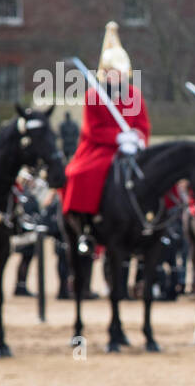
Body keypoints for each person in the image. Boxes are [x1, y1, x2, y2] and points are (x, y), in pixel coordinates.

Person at [62, 22, 151, 252]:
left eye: (121, 72)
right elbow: (92, 129)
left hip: (131, 149)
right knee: (83, 174)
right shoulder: (94, 95)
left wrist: (138, 138)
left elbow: (142, 124)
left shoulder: (134, 95)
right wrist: (118, 138)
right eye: (113, 72)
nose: (117, 76)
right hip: (100, 149)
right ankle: (86, 224)